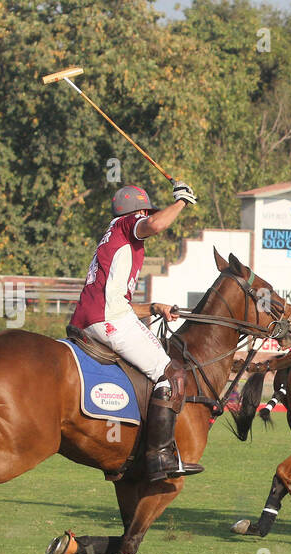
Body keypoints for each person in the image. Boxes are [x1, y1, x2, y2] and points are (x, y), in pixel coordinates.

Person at [69, 180, 200, 482]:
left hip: (90, 317)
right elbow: (154, 224)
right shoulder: (128, 224)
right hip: (107, 319)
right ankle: (159, 456)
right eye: (144, 210)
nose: (146, 215)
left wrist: (154, 307)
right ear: (136, 211)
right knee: (171, 374)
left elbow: (116, 299)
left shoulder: (114, 239)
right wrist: (181, 201)